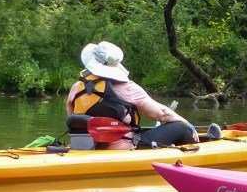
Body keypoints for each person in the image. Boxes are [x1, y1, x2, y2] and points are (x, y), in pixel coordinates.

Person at [66, 41, 199, 150]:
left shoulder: (77, 87)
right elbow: (162, 114)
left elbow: (73, 117)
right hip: (125, 147)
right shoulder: (129, 88)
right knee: (181, 128)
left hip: (86, 148)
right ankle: (194, 155)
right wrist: (187, 123)